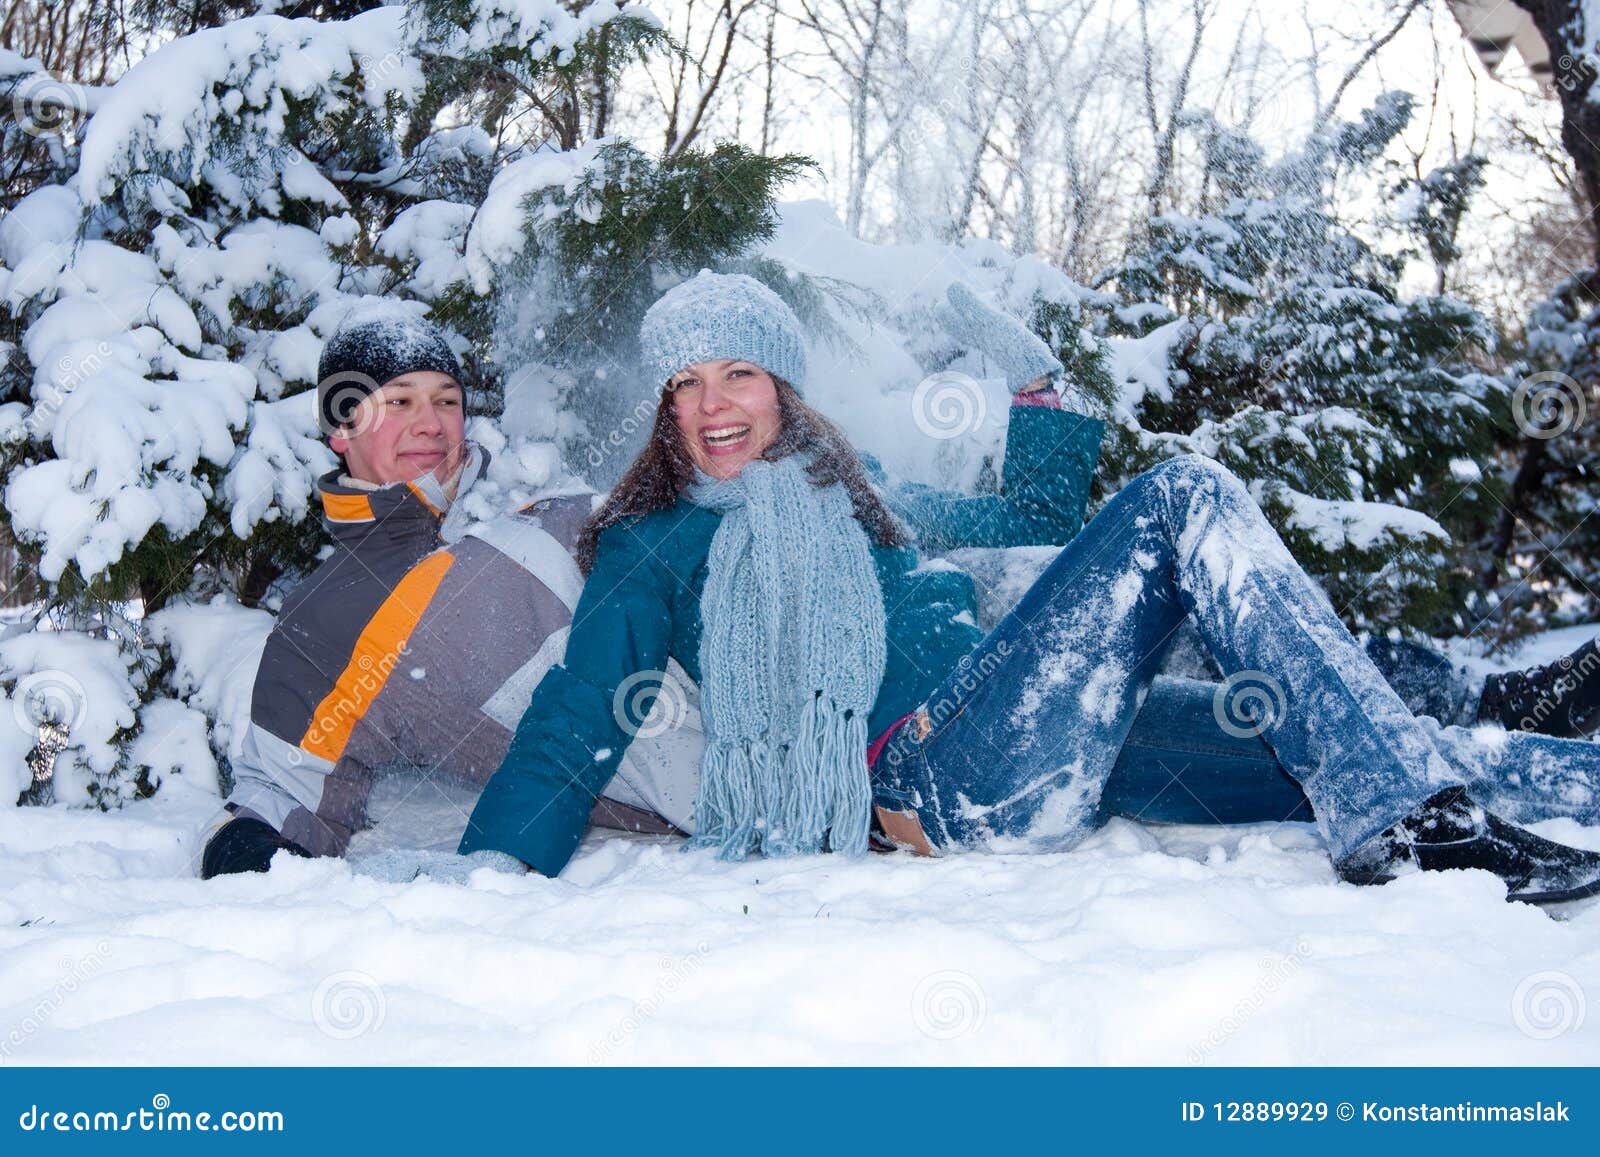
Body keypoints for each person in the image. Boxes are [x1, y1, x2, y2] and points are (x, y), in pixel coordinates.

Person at [458, 272, 1600, 905]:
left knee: (1343, 738)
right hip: (926, 777)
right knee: (1181, 495)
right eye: (686, 381)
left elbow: (1042, 531)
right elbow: (577, 715)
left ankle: (1454, 785)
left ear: (785, 386)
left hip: (1037, 731)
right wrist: (493, 871)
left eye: (739, 372)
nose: (711, 402)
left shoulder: (860, 494)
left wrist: (1038, 386)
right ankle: (1408, 825)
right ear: (665, 404)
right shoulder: (653, 540)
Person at [199, 314, 701, 879]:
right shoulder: (335, 614)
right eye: (399, 403)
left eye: (446, 401)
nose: (431, 425)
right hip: (717, 785)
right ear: (341, 431)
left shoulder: (545, 501)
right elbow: (283, 783)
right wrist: (244, 847)